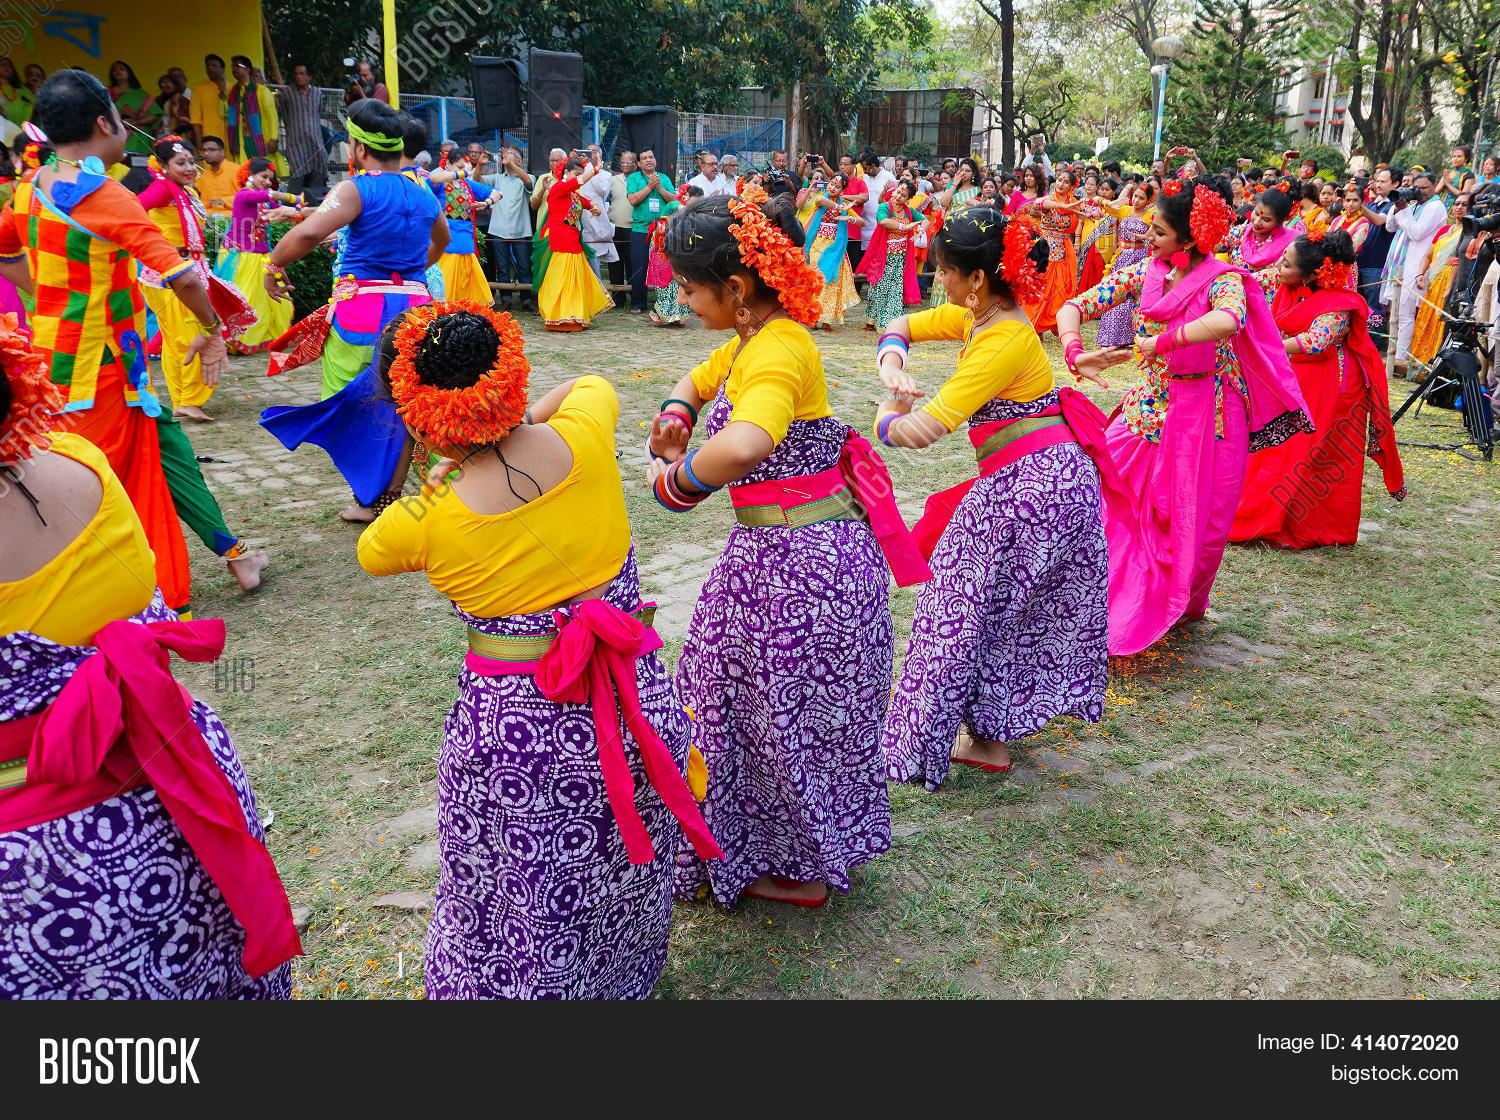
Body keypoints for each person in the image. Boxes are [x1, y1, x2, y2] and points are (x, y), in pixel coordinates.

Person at [356, 303, 718, 998]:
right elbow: (589, 384)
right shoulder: (583, 434)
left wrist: (444, 472)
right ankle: (622, 974)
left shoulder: (422, 521)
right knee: (621, 851)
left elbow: (370, 553)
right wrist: (525, 425)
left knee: (524, 874)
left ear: (416, 411)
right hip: (630, 701)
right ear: (511, 378)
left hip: (520, 735)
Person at [0, 322, 301, 999]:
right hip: (171, 795)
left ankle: (232, 550)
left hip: (35, 860)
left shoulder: (50, 212)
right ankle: (232, 550)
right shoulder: (81, 464)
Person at [651, 188, 926, 908]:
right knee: (749, 705)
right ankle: (783, 848)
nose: (682, 299)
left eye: (689, 287)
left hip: (797, 570)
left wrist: (673, 483)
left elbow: (746, 443)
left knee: (770, 712)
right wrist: (677, 411)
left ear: (736, 288)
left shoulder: (778, 349)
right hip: (792, 560)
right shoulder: (758, 338)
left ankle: (793, 865)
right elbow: (700, 378)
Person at [0, 70, 268, 610]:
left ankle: (235, 552)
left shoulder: (32, 187)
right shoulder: (105, 194)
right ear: (105, 122)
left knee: (170, 452)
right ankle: (122, 601)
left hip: (76, 361)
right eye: (122, 118)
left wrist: (56, 297)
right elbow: (184, 277)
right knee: (100, 488)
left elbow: (7, 249)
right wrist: (214, 332)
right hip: (99, 372)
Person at [874, 205, 1113, 786]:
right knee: (1002, 613)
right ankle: (989, 740)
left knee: (952, 613)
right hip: (1044, 483)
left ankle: (930, 743)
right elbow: (903, 324)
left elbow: (922, 431)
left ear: (976, 279)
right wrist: (893, 362)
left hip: (1033, 489)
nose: (940, 283)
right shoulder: (985, 318)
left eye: (945, 272)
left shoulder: (999, 339)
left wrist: (887, 413)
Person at [1057, 175, 1312, 656]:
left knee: (1205, 519)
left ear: (1191, 239)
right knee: (1110, 501)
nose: (1147, 238)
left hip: (1212, 413)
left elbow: (1228, 320)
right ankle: (1114, 597)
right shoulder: (1143, 272)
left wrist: (1161, 342)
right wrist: (1075, 351)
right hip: (1147, 412)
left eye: (1157, 232)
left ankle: (1184, 601)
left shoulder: (1225, 278)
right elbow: (1076, 305)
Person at [259, 97, 447, 522]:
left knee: (351, 400)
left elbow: (308, 234)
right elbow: (441, 241)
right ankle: (386, 495)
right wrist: (414, 270)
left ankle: (371, 490)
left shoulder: (356, 188)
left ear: (358, 149)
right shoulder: (422, 194)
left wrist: (273, 265)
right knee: (405, 401)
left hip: (362, 310)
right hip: (416, 306)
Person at [1231, 229, 1405, 547]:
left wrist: (1267, 346)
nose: (1278, 266)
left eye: (1286, 263)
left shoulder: (1339, 304)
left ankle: (1313, 527)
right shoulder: (1289, 283)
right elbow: (1249, 281)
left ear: (1312, 274)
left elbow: (1316, 341)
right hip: (1300, 375)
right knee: (1283, 449)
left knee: (1315, 455)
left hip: (1337, 386)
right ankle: (1265, 514)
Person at [138, 135, 255, 420]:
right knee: (189, 335)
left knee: (176, 338)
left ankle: (182, 398)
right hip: (171, 273)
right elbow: (134, 207)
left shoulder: (184, 190)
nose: (190, 167)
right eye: (181, 163)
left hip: (184, 269)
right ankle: (188, 398)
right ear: (163, 167)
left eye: (192, 161)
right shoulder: (163, 189)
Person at [215, 157, 301, 354]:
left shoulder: (264, 200)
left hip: (260, 255)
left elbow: (280, 212)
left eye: (270, 179)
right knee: (247, 296)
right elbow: (270, 196)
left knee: (266, 297)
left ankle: (263, 337)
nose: (268, 181)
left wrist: (298, 210)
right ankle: (239, 338)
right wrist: (292, 198)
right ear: (249, 175)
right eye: (264, 176)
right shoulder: (244, 195)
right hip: (243, 255)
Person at [1015, 167, 1098, 334]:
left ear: (1071, 187)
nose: (1061, 183)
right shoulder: (1048, 200)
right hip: (1044, 249)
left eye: (1066, 182)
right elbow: (1039, 205)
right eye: (1059, 179)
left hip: (1064, 251)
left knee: (1062, 289)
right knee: (1041, 287)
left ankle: (1057, 322)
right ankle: (1035, 325)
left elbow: (1095, 214)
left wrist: (1096, 207)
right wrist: (1065, 207)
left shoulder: (1075, 203)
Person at [1381, 170, 1447, 375]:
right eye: (1416, 188)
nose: (1420, 192)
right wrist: (1398, 205)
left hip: (1417, 266)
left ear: (1434, 187)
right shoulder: (1414, 205)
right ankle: (1396, 355)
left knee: (1406, 314)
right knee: (1398, 313)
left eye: (1424, 188)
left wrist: (1403, 210)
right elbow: (1391, 226)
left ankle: (1400, 359)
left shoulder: (1435, 206)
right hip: (1401, 264)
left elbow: (1416, 233)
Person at [538, 153, 612, 331]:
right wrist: (594, 170)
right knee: (560, 278)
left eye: (580, 173)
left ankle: (575, 315)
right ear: (565, 172)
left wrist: (595, 209)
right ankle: (558, 316)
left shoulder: (574, 196)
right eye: (575, 173)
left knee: (575, 279)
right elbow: (577, 183)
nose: (579, 177)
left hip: (573, 239)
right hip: (559, 237)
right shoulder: (558, 188)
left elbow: (589, 203)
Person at [797, 171, 861, 328]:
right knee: (817, 279)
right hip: (817, 244)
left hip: (835, 247)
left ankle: (826, 318)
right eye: (831, 184)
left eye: (837, 187)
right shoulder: (823, 199)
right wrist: (841, 207)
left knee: (831, 282)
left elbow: (861, 222)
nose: (833, 188)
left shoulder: (844, 207)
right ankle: (812, 316)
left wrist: (848, 217)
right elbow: (820, 200)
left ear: (842, 191)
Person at [430, 150, 495, 305]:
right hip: (446, 243)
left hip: (466, 242)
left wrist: (486, 203)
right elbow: (433, 178)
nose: (462, 171)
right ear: (447, 164)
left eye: (464, 167)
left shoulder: (468, 184)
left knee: (466, 289)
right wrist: (462, 173)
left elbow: (496, 193)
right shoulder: (441, 184)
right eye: (458, 167)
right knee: (444, 290)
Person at [1409, 194, 1468, 365]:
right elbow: (1428, 255)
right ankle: (1417, 365)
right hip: (1434, 283)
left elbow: (1458, 260)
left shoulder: (1470, 233)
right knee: (1425, 321)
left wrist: (1449, 288)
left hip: (1452, 285)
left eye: (1464, 204)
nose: (1459, 207)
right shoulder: (1444, 231)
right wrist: (1420, 274)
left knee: (1441, 323)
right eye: (1457, 203)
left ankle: (1434, 365)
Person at [856, 180, 922, 331]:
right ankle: (873, 320)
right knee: (878, 288)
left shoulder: (909, 211)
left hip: (900, 258)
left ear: (908, 199)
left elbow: (925, 220)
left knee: (896, 290)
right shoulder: (885, 206)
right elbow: (883, 221)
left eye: (903, 195)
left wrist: (920, 231)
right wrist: (905, 227)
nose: (898, 196)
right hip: (882, 256)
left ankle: (890, 323)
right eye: (898, 191)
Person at [1095, 182, 1153, 348]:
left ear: (1148, 201)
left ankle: (1131, 338)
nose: (1136, 200)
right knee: (1116, 292)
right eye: (1135, 196)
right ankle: (1111, 337)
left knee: (1135, 296)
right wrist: (1128, 187)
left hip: (1140, 258)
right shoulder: (1125, 210)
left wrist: (1145, 236)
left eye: (1141, 198)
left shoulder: (1150, 215)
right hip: (1121, 257)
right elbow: (1113, 204)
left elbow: (1157, 231)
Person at [484, 144, 535, 313]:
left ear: (519, 161)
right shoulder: (497, 178)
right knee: (503, 267)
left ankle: (527, 299)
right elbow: (477, 181)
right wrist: (479, 165)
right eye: (505, 154)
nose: (506, 156)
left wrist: (511, 164)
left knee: (524, 266)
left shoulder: (528, 177)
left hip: (521, 230)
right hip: (498, 230)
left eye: (511, 154)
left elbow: (528, 182)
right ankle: (505, 300)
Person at [626, 148, 676, 313]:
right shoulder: (633, 178)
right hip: (640, 230)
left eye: (651, 157)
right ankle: (638, 303)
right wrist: (649, 187)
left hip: (662, 230)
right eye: (644, 158)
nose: (649, 160)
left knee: (663, 266)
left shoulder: (664, 178)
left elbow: (674, 201)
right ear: (639, 164)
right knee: (639, 266)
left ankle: (662, 304)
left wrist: (659, 188)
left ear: (655, 160)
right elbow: (633, 200)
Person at [1358, 164, 1401, 350]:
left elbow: (1378, 220)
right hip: (1361, 261)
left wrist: (1358, 204)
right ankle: (1358, 343)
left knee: (1374, 307)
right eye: (1377, 180)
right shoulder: (1372, 204)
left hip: (1378, 264)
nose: (1378, 184)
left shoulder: (1395, 205)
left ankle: (1373, 346)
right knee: (1359, 306)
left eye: (1383, 181)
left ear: (1396, 184)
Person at [225, 56, 283, 178]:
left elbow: (272, 116)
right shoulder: (233, 92)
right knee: (243, 176)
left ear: (248, 70)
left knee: (263, 175)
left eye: (237, 66)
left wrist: (273, 138)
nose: (234, 69)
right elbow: (228, 116)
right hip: (239, 141)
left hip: (260, 142)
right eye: (232, 67)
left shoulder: (261, 91)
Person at [1230, 181, 1298, 284]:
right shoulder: (1240, 232)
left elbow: (1279, 276)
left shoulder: (1290, 245)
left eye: (1266, 220)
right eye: (1256, 213)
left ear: (1280, 221)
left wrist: (1240, 280)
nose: (1257, 222)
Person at [279, 63, 328, 202]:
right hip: (296, 145)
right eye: (296, 74)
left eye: (302, 74)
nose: (298, 77)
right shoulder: (287, 94)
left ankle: (313, 215)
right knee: (296, 182)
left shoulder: (318, 93)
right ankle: (289, 217)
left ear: (310, 77)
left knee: (316, 183)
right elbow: (284, 115)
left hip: (316, 144)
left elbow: (318, 114)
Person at [580, 144, 618, 281]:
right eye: (588, 152)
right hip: (578, 222)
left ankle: (599, 299)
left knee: (594, 268)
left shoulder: (606, 175)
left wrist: (591, 166)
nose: (591, 154)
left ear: (600, 156)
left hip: (595, 224)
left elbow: (602, 189)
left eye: (594, 152)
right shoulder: (578, 171)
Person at [855, 147, 895, 271]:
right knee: (862, 258)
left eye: (866, 168)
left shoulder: (888, 177)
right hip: (864, 224)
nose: (865, 171)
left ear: (873, 165)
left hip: (880, 225)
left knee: (877, 260)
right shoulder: (865, 179)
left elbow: (893, 201)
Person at [106, 60, 153, 158]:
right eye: (114, 70)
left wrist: (135, 121)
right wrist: (119, 119)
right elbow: (102, 113)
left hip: (138, 135)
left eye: (122, 69)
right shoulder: (107, 93)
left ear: (129, 73)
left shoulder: (140, 94)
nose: (117, 71)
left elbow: (154, 114)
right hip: (115, 132)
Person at [607, 149, 636, 299]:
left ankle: (634, 295)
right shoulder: (613, 180)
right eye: (622, 162)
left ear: (636, 164)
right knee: (615, 263)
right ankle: (617, 297)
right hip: (616, 227)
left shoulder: (640, 180)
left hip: (634, 228)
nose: (625, 165)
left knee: (633, 264)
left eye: (628, 162)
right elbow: (606, 200)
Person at [189, 55, 228, 150]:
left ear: (222, 69)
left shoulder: (232, 88)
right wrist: (199, 140)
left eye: (214, 65)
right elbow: (195, 118)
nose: (210, 68)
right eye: (208, 66)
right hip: (209, 136)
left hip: (230, 137)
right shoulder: (198, 89)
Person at [196, 134, 240, 217]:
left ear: (222, 152)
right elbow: (205, 201)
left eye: (211, 150)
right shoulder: (204, 176)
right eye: (204, 150)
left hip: (233, 216)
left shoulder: (236, 170)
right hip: (211, 217)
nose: (206, 153)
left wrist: (224, 201)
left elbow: (247, 197)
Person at [1437, 145, 1474, 214]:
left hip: (1457, 211)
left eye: (1459, 156)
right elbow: (1436, 192)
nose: (1455, 159)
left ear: (1466, 159)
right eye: (1453, 156)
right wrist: (1443, 181)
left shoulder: (1469, 175)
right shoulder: (1448, 172)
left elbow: (1464, 196)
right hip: (1441, 209)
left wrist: (1448, 184)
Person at [0, 58, 32, 135]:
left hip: (22, 133)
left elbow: (33, 105)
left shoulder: (22, 89)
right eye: (3, 65)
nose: (7, 67)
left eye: (10, 66)